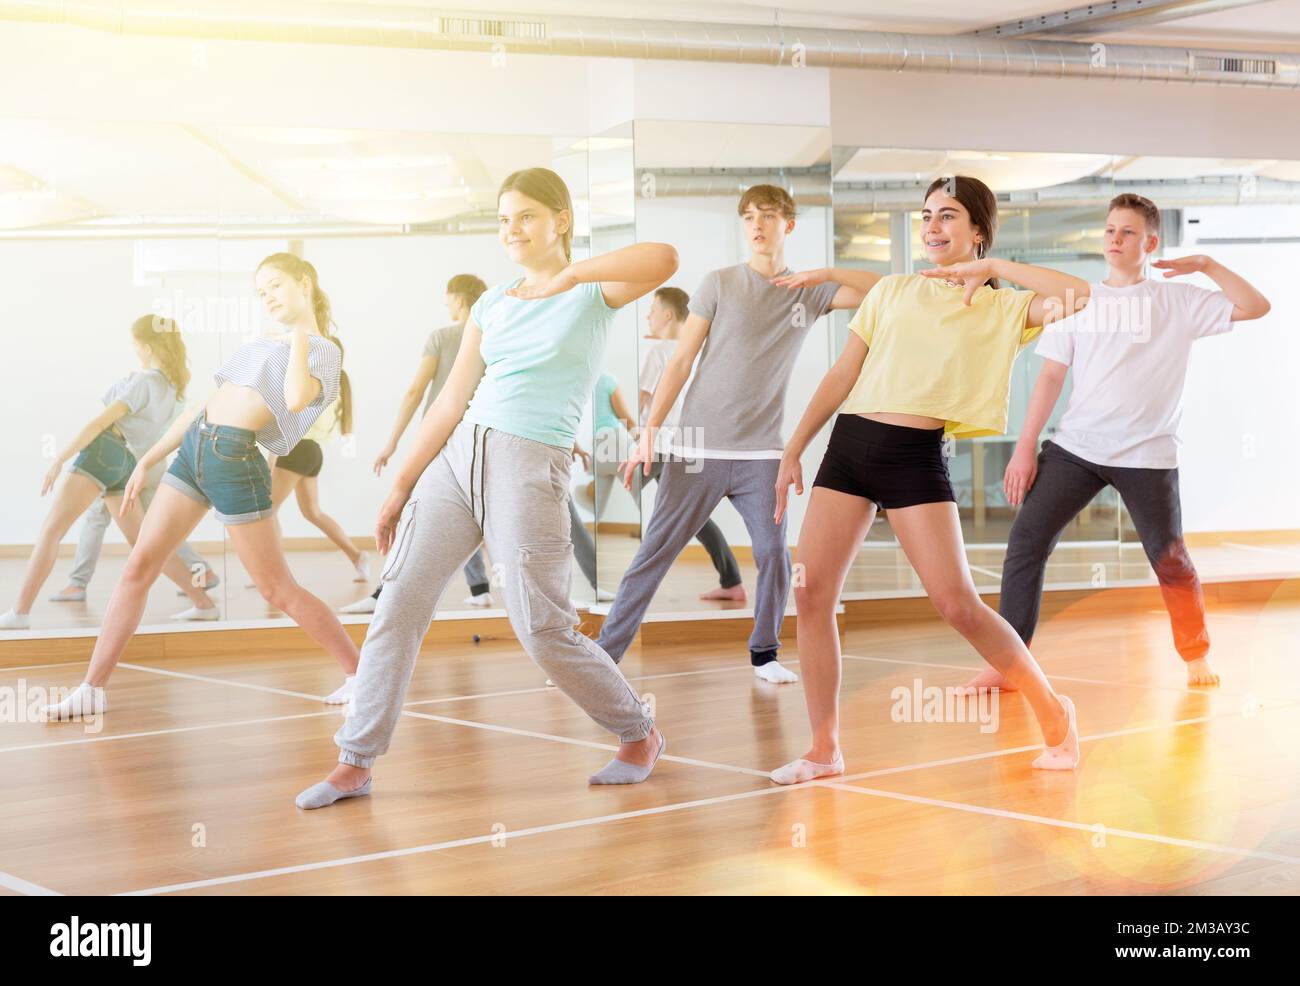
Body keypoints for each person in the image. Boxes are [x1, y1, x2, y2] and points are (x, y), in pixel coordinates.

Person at [294, 167, 678, 809]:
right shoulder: (492, 302)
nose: (511, 229)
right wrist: (399, 487)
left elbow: (664, 259)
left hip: (530, 461)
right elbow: (448, 402)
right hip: (458, 455)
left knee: (540, 626)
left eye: (525, 215)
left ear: (560, 219)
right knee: (399, 601)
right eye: (503, 218)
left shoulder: (591, 293)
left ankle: (638, 732)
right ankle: (354, 760)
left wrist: (572, 274)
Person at [769, 175, 1090, 784]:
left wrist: (996, 267)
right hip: (849, 447)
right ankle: (823, 750)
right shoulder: (890, 290)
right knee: (810, 595)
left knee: (957, 604)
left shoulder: (1006, 306)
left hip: (914, 455)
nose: (933, 227)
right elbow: (844, 372)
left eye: (948, 216)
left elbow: (1082, 294)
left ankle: (1055, 711)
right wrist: (793, 449)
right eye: (926, 216)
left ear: (976, 231)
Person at [37, 254, 360, 718]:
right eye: (261, 291)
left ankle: (359, 672)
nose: (267, 297)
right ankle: (91, 688)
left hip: (235, 457)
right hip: (195, 448)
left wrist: (300, 336)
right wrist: (146, 459)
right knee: (138, 567)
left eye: (275, 286)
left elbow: (294, 399)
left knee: (275, 589)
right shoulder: (260, 342)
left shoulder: (323, 350)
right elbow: (203, 406)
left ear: (304, 284)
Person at [976, 192, 1270, 693]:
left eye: (1127, 232)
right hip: (1077, 449)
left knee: (1169, 557)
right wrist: (1024, 448)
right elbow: (1049, 377)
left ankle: (1195, 653)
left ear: (1150, 243)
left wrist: (1205, 263)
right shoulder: (1078, 301)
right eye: (1110, 230)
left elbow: (1255, 306)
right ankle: (1010, 661)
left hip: (1148, 455)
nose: (1115, 239)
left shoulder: (1178, 302)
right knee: (1026, 543)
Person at [602, 184, 880, 685]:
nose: (756, 224)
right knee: (653, 555)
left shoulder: (812, 292)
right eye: (749, 215)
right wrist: (649, 434)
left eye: (768, 215)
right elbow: (681, 360)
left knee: (774, 554)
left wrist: (829, 271)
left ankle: (764, 653)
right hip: (695, 450)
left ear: (787, 225)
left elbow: (886, 289)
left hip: (762, 454)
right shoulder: (719, 283)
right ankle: (602, 658)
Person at [0, 315, 218, 631]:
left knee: (52, 529)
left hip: (103, 451)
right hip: (125, 462)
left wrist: (59, 459)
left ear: (146, 345)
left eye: (136, 345)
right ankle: (203, 603)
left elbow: (98, 423)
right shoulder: (171, 387)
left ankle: (20, 611)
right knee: (145, 543)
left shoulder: (143, 381)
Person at [341, 275, 494, 614]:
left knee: (408, 513)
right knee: (468, 511)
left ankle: (383, 594)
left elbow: (415, 391)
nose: (445, 303)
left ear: (457, 298)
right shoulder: (492, 335)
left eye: (447, 297)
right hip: (480, 436)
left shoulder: (442, 336)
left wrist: (392, 442)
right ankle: (481, 588)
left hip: (440, 437)